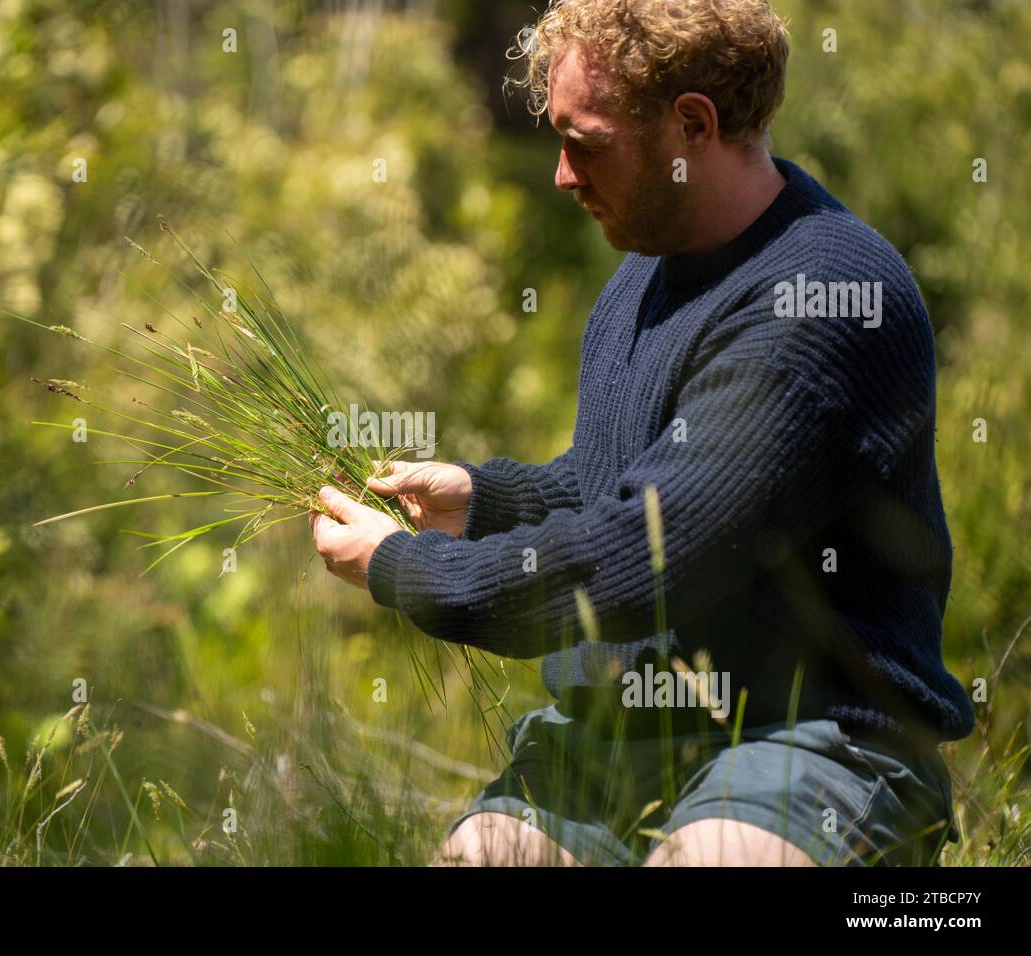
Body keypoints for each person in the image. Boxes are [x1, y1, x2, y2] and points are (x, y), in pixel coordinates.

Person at [309, 0, 973, 866]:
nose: (561, 174)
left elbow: (632, 564)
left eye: (585, 141)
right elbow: (616, 482)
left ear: (692, 125)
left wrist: (405, 568)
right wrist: (481, 501)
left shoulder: (824, 303)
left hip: (813, 738)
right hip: (619, 738)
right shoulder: (643, 276)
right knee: (485, 854)